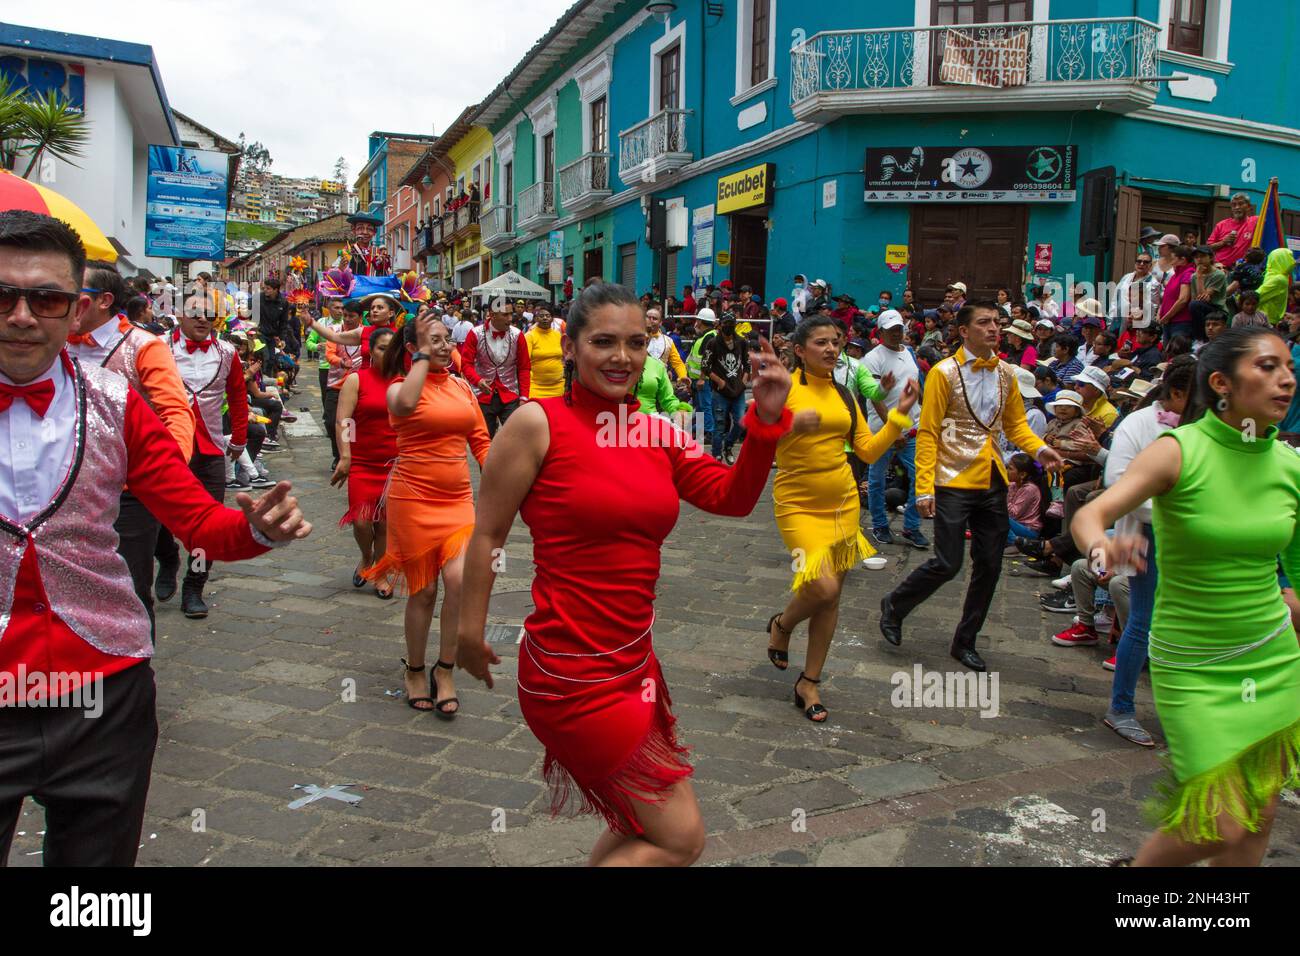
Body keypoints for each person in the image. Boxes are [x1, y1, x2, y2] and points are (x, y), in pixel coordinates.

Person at [0, 210, 309, 866]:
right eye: (4, 295)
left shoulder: (116, 403)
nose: (23, 314)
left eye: (46, 297)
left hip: (104, 695)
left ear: (77, 308)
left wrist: (257, 531)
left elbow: (198, 522)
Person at [456, 282, 793, 865]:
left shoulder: (659, 432)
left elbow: (731, 499)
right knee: (680, 837)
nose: (622, 357)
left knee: (644, 823)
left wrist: (765, 423)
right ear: (571, 347)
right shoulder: (536, 424)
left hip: (635, 661)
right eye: (604, 341)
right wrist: (468, 630)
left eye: (637, 343)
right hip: (569, 671)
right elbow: (487, 533)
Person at [1071, 327, 1300, 865]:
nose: (1286, 378)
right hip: (1195, 661)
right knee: (1217, 823)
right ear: (1221, 383)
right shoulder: (1178, 451)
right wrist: (1103, 550)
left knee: (1259, 814)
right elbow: (1092, 514)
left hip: (1272, 655)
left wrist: (1289, 592)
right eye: (1267, 367)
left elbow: (1295, 561)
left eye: (1288, 366)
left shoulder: (1290, 466)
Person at [879, 303, 1064, 671]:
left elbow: (1015, 427)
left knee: (990, 565)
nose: (993, 328)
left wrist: (1042, 450)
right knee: (948, 562)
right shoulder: (944, 373)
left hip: (993, 478)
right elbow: (929, 430)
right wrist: (924, 488)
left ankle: (965, 640)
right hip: (951, 478)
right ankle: (895, 604)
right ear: (963, 331)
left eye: (996, 322)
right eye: (984, 322)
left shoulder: (1008, 373)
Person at [765, 315, 918, 721]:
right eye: (820, 343)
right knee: (820, 585)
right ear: (799, 350)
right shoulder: (784, 390)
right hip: (797, 505)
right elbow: (759, 433)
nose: (832, 349)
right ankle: (783, 624)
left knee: (832, 596)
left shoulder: (847, 395)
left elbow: (866, 451)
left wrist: (899, 413)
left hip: (844, 505)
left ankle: (810, 681)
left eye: (835, 341)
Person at [367, 310, 490, 716]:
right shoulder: (400, 387)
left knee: (458, 584)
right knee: (423, 592)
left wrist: (506, 482)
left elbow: (481, 441)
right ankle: (415, 668)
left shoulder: (461, 388)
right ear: (412, 349)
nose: (443, 346)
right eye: (433, 340)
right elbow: (403, 407)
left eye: (445, 339)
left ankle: (446, 669)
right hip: (413, 501)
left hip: (458, 503)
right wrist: (421, 356)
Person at [66, 261, 194, 631]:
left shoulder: (143, 346)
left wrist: (166, 473)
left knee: (130, 592)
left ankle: (132, 680)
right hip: (62, 488)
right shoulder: (52, 341)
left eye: (75, 295)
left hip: (127, 491)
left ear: (104, 301)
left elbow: (174, 410)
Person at [1092, 355, 1194, 746]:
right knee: (1143, 619)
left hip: (1189, 541)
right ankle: (1121, 707)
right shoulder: (1138, 425)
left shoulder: (1201, 425)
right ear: (1178, 392)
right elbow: (1119, 485)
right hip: (1147, 536)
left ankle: (1183, 710)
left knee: (1184, 625)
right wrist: (1179, 512)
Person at [156, 294, 251, 620]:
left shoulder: (227, 353)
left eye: (209, 314)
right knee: (153, 520)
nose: (202, 319)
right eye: (195, 313)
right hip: (166, 448)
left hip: (210, 450)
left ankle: (194, 586)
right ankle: (167, 556)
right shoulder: (157, 347)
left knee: (205, 527)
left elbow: (238, 397)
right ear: (179, 314)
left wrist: (239, 439)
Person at [331, 326, 399, 600]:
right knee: (361, 521)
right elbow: (344, 420)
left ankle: (380, 572)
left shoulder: (404, 381)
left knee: (384, 524)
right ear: (371, 350)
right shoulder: (356, 380)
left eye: (392, 347)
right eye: (383, 347)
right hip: (361, 461)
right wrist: (345, 456)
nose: (388, 353)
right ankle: (366, 556)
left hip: (395, 464)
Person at [863, 311, 926, 548]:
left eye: (899, 328)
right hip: (882, 430)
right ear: (880, 332)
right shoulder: (872, 358)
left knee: (920, 477)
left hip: (912, 428)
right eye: (890, 330)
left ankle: (911, 527)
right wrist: (892, 429)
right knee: (877, 479)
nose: (896, 333)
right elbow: (874, 397)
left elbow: (915, 385)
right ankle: (880, 524)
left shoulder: (909, 352)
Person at [460, 298, 531, 436]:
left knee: (515, 439)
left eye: (511, 314)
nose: (510, 319)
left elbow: (524, 368)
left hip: (510, 395)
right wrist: (477, 381)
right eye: (505, 315)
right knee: (484, 440)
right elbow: (466, 364)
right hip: (483, 396)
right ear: (492, 315)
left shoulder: (518, 335)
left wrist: (524, 398)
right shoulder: (475, 334)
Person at [702, 313, 750, 463]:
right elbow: (705, 366)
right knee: (719, 424)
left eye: (731, 323)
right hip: (720, 391)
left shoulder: (741, 342)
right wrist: (719, 382)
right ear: (720, 324)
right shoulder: (713, 343)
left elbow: (747, 364)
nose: (728, 326)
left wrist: (743, 381)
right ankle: (716, 454)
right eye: (725, 323)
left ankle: (728, 446)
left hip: (738, 390)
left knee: (741, 422)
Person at [685, 308, 718, 440]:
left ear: (701, 321)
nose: (696, 322)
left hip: (703, 380)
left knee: (705, 406)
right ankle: (699, 431)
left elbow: (706, 360)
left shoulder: (709, 337)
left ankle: (709, 432)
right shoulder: (706, 336)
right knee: (700, 407)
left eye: (697, 320)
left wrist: (701, 379)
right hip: (697, 379)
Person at [1003, 452, 1048, 548]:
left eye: (1010, 469)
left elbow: (1013, 514)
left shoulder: (1030, 489)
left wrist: (1003, 495)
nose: (1006, 471)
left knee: (1000, 517)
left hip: (1029, 530)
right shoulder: (1012, 485)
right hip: (1016, 525)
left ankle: (1015, 544)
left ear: (1022, 474)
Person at [1207, 191, 1260, 269]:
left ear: (1249, 207)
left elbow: (1272, 213)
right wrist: (1223, 242)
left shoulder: (1255, 221)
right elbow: (1208, 248)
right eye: (1234, 205)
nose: (1237, 207)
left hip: (1242, 270)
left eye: (1240, 204)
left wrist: (1273, 189)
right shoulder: (1221, 225)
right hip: (1220, 269)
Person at [1157, 246, 1196, 344]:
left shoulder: (1188, 273)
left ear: (1183, 260)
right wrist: (1160, 313)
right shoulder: (1175, 275)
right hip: (1169, 322)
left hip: (1180, 322)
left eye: (1173, 259)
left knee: (1176, 351)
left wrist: (1167, 316)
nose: (1171, 262)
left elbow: (1183, 299)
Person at [525, 307, 565, 399]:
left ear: (552, 319)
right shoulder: (529, 336)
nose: (545, 318)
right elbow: (524, 362)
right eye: (541, 316)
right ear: (536, 319)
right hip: (535, 386)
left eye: (548, 316)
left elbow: (565, 356)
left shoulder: (558, 335)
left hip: (558, 385)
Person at [1256, 247, 1297, 329]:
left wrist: (1239, 298)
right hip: (1265, 318)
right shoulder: (1279, 275)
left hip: (1265, 320)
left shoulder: (1278, 279)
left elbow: (1258, 295)